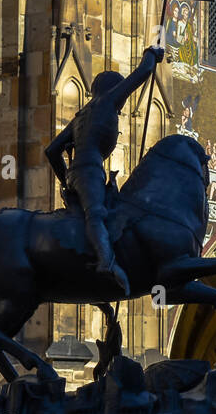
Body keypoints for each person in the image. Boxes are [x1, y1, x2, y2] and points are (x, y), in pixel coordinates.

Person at [45, 46, 164, 296]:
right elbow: (142, 72)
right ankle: (105, 262)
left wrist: (66, 178)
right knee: (96, 213)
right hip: (89, 171)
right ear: (112, 90)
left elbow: (52, 150)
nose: (119, 110)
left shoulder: (81, 115)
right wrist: (152, 53)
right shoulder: (108, 101)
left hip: (80, 173)